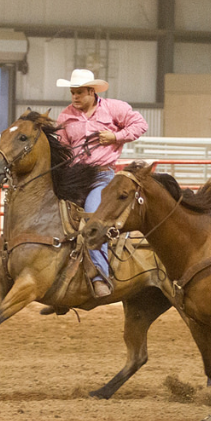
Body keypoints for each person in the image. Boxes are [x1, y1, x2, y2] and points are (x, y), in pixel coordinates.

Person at [55, 68, 148, 298]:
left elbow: (140, 125)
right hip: (76, 176)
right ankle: (56, 278)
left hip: (102, 176)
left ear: (91, 91)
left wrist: (115, 137)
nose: (75, 97)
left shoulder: (114, 108)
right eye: (72, 92)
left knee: (93, 218)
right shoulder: (65, 117)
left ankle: (100, 276)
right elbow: (62, 148)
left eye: (79, 92)